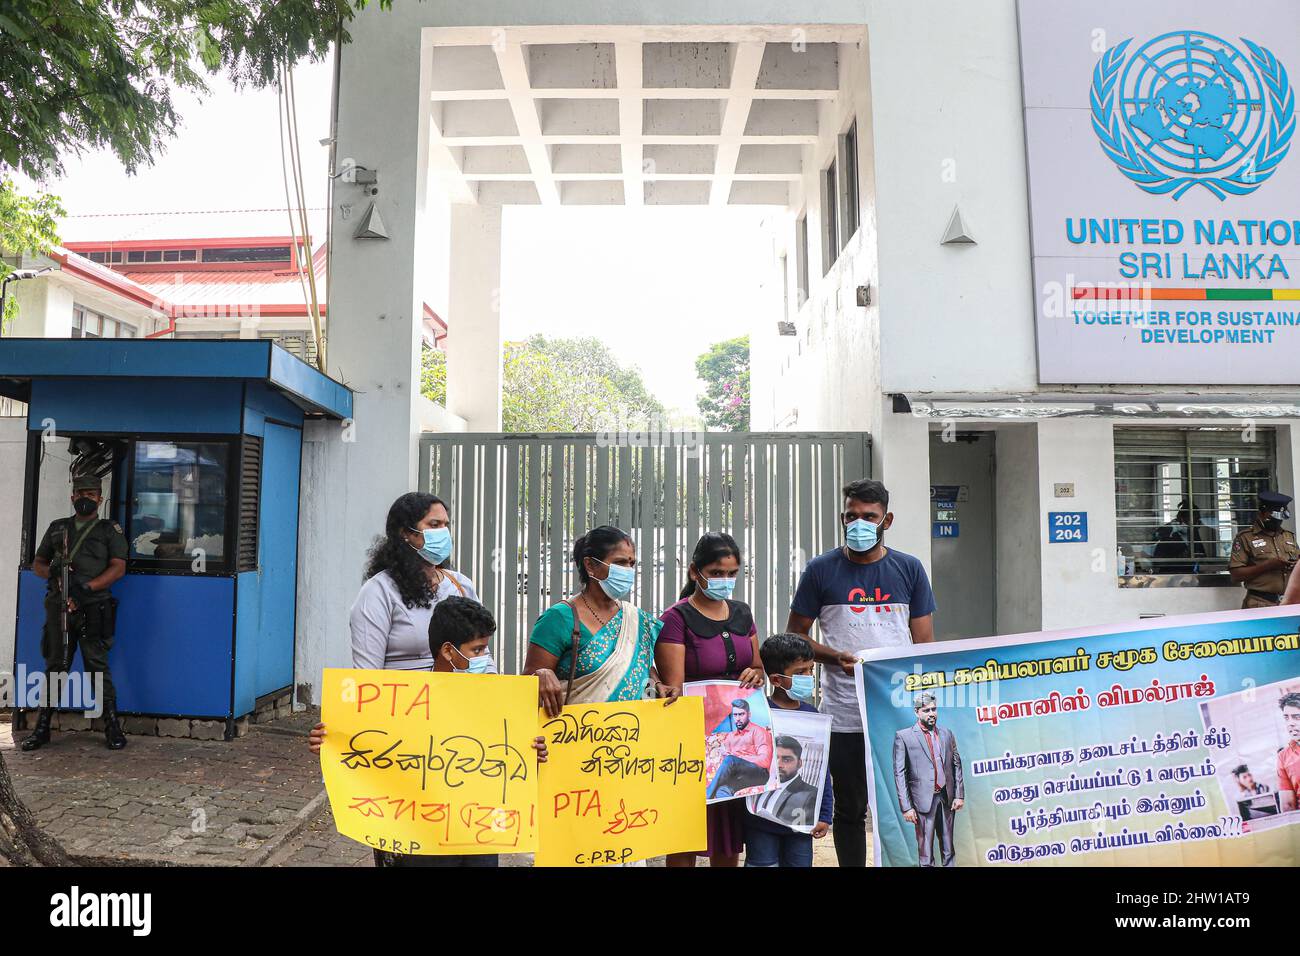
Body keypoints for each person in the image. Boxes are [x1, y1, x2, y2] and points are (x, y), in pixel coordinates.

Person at [309, 596, 547, 867]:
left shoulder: (498, 704)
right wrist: (329, 742)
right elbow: (367, 747)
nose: (485, 659)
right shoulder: (401, 701)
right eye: (478, 650)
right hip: (419, 843)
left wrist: (531, 753)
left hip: (478, 838)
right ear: (448, 651)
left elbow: (511, 764)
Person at [786, 478, 935, 867]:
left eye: (869, 516)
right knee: (850, 810)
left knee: (905, 805)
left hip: (899, 714)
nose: (860, 524)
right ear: (842, 518)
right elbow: (796, 636)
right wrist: (836, 657)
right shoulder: (820, 570)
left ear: (887, 520)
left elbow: (925, 645)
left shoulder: (909, 569)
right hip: (845, 716)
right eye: (852, 516)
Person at [657, 531, 763, 867]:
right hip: (692, 742)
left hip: (738, 741)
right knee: (687, 832)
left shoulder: (743, 613)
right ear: (694, 572)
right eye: (717, 573)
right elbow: (673, 689)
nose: (725, 580)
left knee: (728, 837)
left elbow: (757, 665)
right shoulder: (675, 619)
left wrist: (756, 674)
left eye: (732, 573)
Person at [22, 473, 128, 752]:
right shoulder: (58, 528)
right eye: (81, 494)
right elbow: (39, 564)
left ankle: (112, 727)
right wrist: (53, 574)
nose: (86, 499)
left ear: (100, 498)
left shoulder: (109, 530)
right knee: (56, 666)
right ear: (73, 498)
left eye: (91, 495)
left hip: (94, 607)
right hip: (60, 608)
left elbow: (118, 567)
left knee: (97, 668)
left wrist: (87, 589)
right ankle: (42, 728)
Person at [526, 525, 668, 714]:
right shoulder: (559, 618)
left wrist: (658, 684)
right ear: (590, 565)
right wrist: (540, 675)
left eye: (631, 563)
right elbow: (528, 686)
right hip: (574, 736)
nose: (628, 571)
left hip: (633, 735)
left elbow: (636, 669)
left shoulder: (637, 619)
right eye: (620, 563)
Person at [349, 492, 479, 672]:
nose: (443, 532)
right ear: (405, 533)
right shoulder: (378, 592)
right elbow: (368, 676)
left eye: (445, 525)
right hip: (404, 697)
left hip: (457, 696)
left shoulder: (460, 585)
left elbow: (481, 654)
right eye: (434, 525)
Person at [743, 632, 832, 868]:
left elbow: (823, 771)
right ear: (776, 680)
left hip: (801, 824)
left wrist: (824, 814)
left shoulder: (813, 717)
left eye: (810, 670)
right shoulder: (758, 716)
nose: (808, 676)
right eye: (800, 672)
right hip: (761, 822)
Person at [893, 693, 964, 867]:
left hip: (946, 799)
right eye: (926, 710)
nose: (931, 713)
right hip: (923, 802)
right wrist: (906, 807)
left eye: (934, 709)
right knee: (925, 854)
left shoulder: (947, 734)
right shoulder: (904, 737)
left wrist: (959, 795)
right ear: (917, 712)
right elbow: (899, 773)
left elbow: (956, 764)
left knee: (949, 849)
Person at [1229, 491, 1300, 609]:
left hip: (1288, 603)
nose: (1277, 523)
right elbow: (1236, 575)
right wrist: (1267, 566)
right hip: (1260, 603)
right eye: (1272, 518)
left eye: (1280, 519)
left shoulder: (1289, 537)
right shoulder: (1245, 538)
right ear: (1262, 513)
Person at [705, 698, 773, 799]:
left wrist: (738, 757)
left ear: (749, 715)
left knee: (730, 759)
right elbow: (727, 764)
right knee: (722, 790)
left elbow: (765, 761)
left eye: (741, 714)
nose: (738, 718)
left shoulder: (758, 731)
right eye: (735, 715)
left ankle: (706, 797)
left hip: (759, 774)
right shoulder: (730, 737)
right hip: (739, 776)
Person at [1151, 500, 1213, 573]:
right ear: (1182, 519)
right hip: (1172, 574)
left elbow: (1202, 554)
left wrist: (1200, 558)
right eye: (1192, 520)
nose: (1196, 524)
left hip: (1191, 574)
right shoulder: (1169, 532)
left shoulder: (1193, 532)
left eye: (1197, 520)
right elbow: (1158, 561)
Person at [1278, 692, 1300, 813]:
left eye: (1297, 717)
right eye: (1286, 717)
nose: (1290, 723)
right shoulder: (1283, 756)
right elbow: (1287, 806)